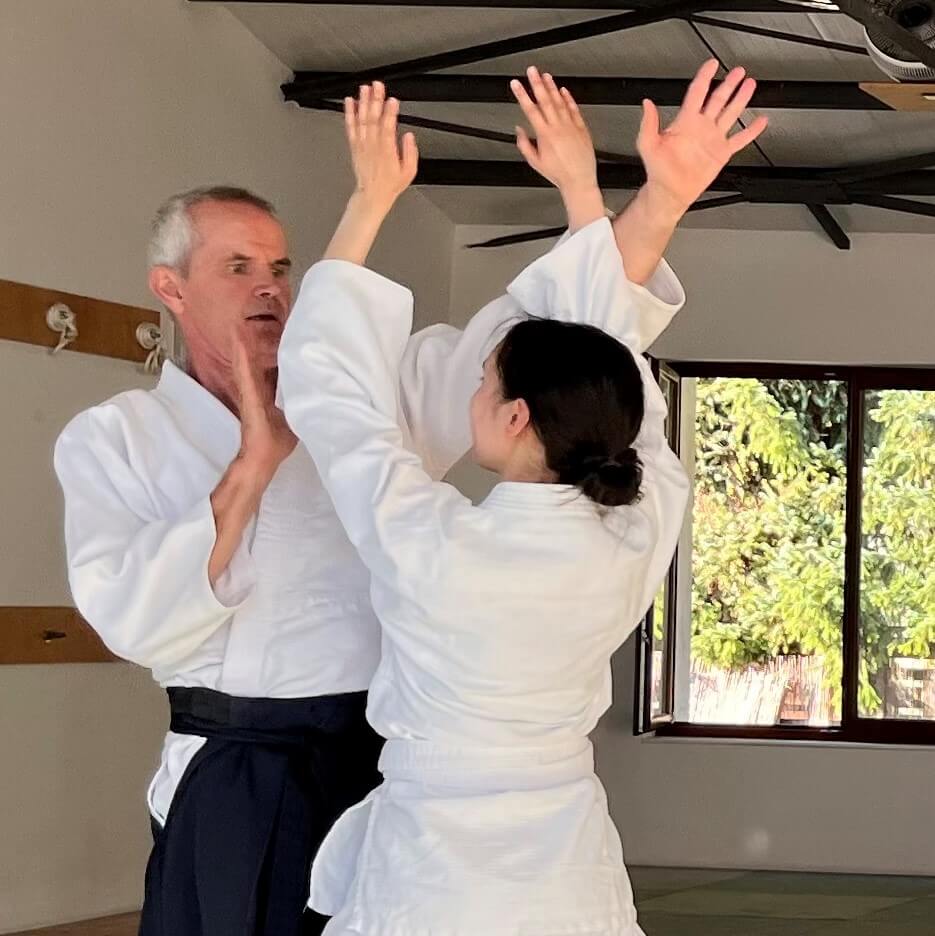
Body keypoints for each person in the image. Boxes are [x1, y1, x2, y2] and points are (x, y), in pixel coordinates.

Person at [52, 68, 696, 936]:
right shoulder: (114, 436)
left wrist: (635, 212)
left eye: (283, 266)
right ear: (169, 288)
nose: (271, 286)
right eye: (237, 267)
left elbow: (548, 361)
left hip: (385, 759)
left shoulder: (376, 395)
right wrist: (250, 465)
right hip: (244, 770)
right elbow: (128, 618)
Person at [277, 60, 766, 935]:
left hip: (433, 869)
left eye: (482, 379)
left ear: (510, 415)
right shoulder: (634, 528)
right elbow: (619, 385)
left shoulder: (433, 544)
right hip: (563, 859)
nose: (466, 396)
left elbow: (332, 395)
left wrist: (367, 203)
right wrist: (615, 199)